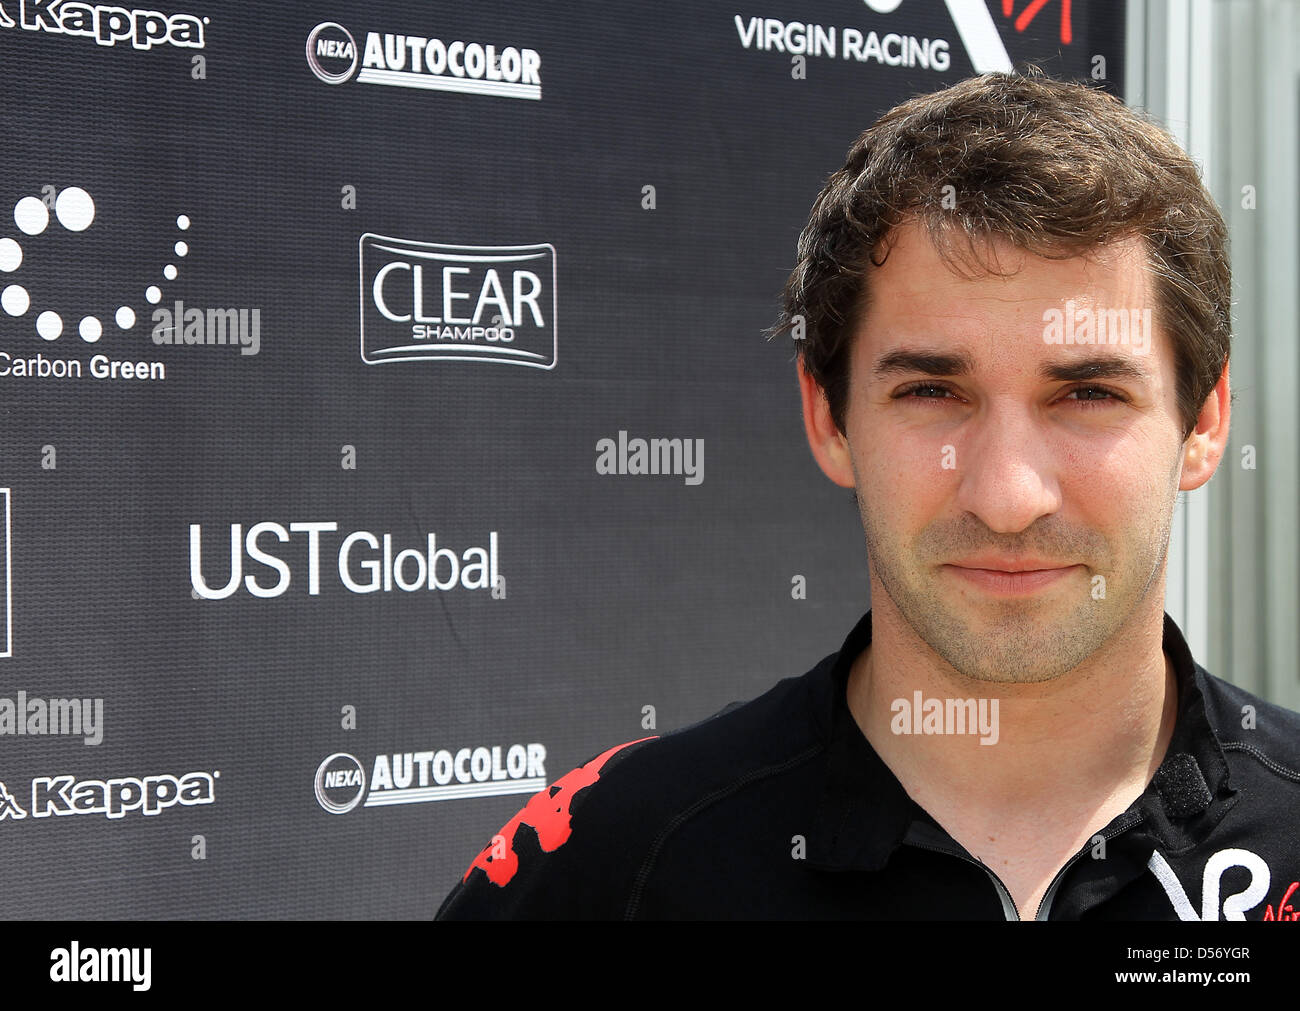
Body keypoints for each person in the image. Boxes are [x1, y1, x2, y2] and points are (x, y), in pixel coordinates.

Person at [436, 69, 1300, 921]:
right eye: (932, 391)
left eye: (1087, 394)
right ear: (829, 417)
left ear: (1205, 421)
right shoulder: (618, 864)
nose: (1007, 496)